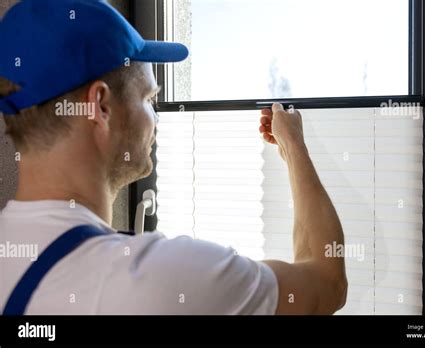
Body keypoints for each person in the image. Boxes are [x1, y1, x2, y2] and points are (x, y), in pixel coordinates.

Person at [0, 0, 347, 315]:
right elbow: (327, 282)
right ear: (101, 107)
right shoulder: (159, 279)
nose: (156, 118)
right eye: (149, 99)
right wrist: (294, 146)